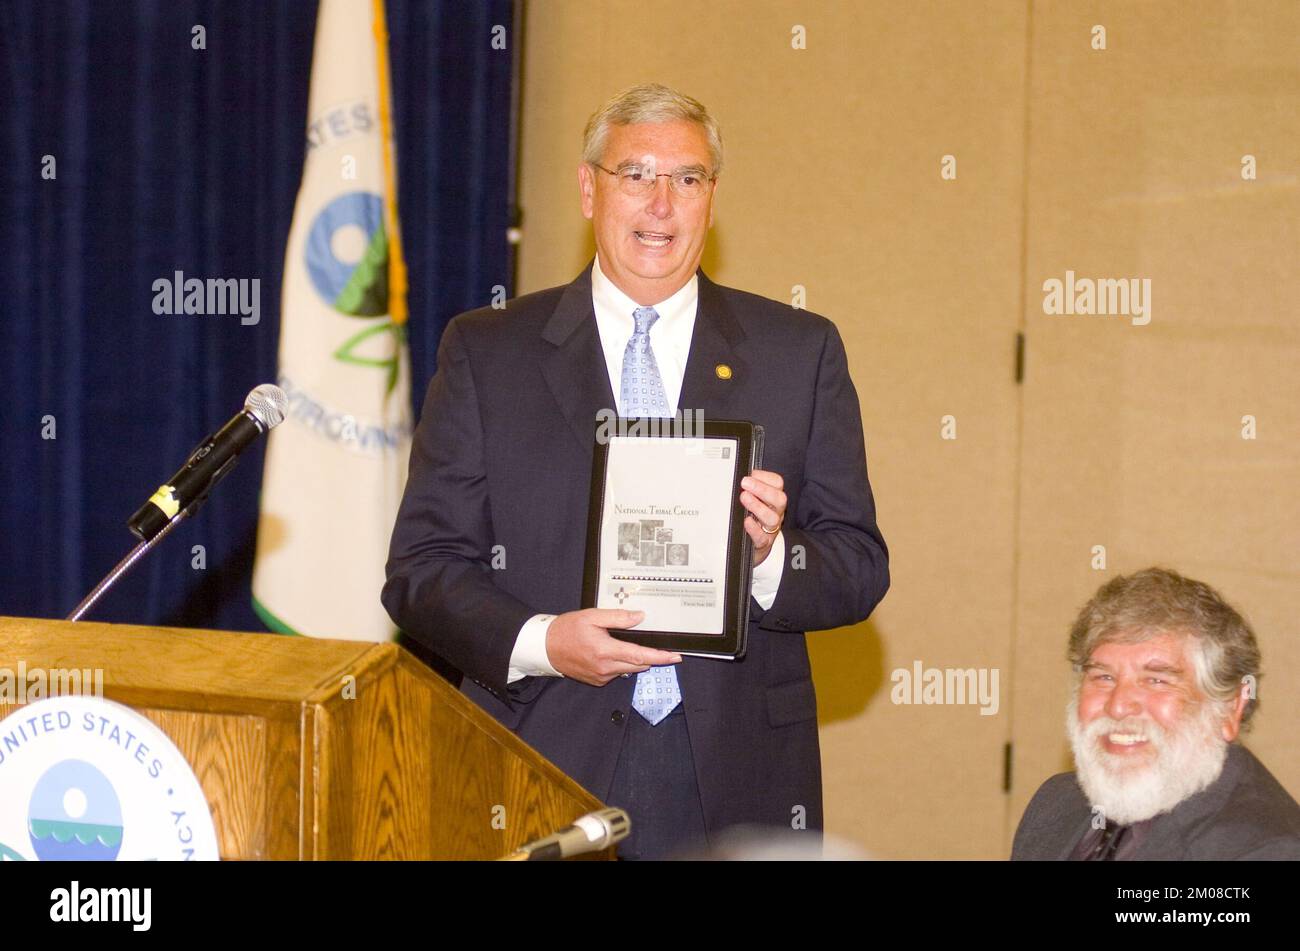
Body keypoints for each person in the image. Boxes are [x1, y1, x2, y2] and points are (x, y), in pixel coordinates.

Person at [383, 83, 889, 859]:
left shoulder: (798, 351)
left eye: (687, 178)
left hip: (736, 775)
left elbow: (858, 568)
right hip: (539, 753)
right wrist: (544, 641)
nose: (661, 203)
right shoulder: (488, 352)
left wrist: (766, 558)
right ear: (589, 189)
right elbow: (420, 571)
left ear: (711, 199)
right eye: (636, 175)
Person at [1012, 568, 1300, 860]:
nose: (1118, 706)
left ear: (1230, 708)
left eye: (1156, 680)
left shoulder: (1268, 849)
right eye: (1103, 677)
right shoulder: (1055, 806)